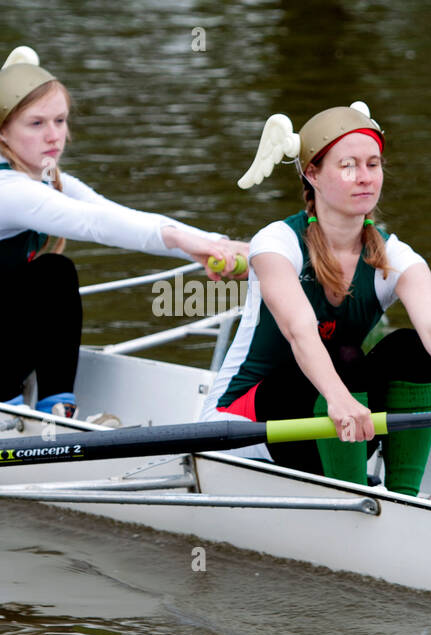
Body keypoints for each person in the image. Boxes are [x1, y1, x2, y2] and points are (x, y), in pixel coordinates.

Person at [203, 102, 431, 494]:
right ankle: (353, 495)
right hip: (249, 424)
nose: (365, 178)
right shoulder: (276, 243)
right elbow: (299, 332)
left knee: (411, 348)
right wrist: (338, 398)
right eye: (348, 166)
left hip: (331, 415)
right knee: (343, 355)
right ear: (312, 173)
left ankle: (402, 499)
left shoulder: (396, 256)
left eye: (373, 164)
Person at [0, 46, 247, 417]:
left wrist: (227, 247)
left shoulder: (50, 180)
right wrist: (187, 242)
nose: (54, 136)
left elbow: (120, 215)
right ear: (3, 131)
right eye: (36, 124)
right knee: (51, 274)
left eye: (60, 121)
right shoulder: (10, 191)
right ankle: (12, 411)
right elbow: (97, 226)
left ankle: (55, 411)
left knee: (53, 272)